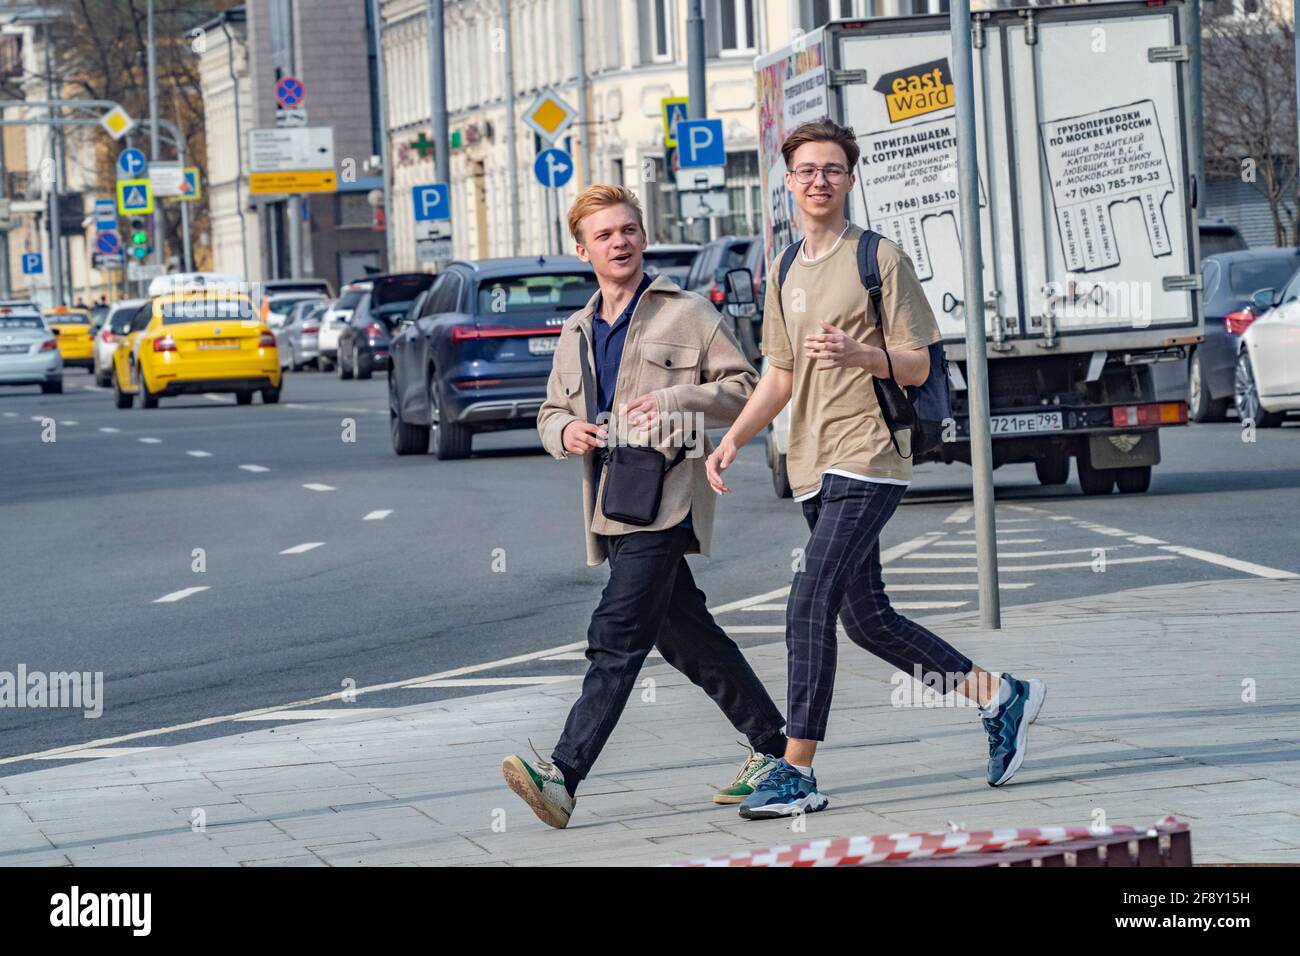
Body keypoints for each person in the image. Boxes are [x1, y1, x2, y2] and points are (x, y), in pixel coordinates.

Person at [706, 119, 1046, 821]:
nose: (819, 180)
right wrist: (734, 437)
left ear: (850, 179)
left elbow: (921, 363)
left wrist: (863, 357)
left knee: (808, 602)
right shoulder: (783, 268)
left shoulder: (878, 259)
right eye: (806, 169)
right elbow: (780, 372)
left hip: (869, 457)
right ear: (789, 180)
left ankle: (796, 771)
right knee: (869, 621)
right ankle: (999, 696)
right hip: (809, 462)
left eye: (832, 168)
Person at [501, 185, 790, 829]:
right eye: (604, 235)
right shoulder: (576, 331)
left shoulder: (685, 313)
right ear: (582, 250)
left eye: (629, 229)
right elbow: (550, 413)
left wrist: (674, 402)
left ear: (643, 237)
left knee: (617, 634)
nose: (621, 242)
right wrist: (565, 434)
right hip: (612, 502)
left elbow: (744, 386)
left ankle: (563, 775)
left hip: (668, 496)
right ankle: (777, 748)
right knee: (687, 637)